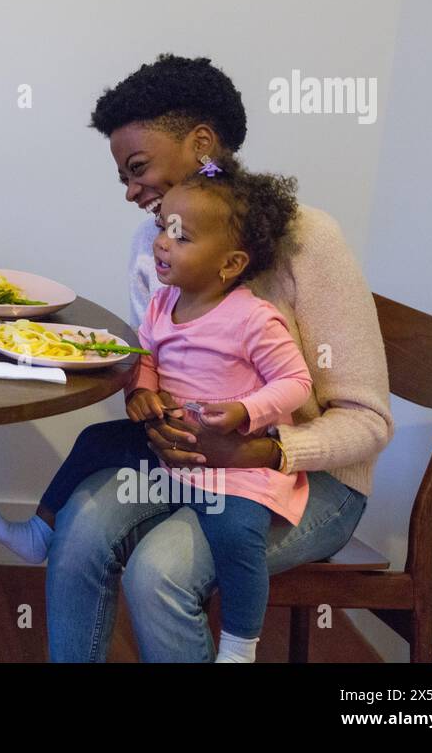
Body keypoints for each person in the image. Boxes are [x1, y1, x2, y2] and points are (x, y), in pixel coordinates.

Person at [39, 54, 393, 662]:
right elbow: (156, 358)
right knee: (76, 531)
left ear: (202, 144)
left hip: (306, 481)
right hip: (192, 462)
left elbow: (368, 421)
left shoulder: (309, 242)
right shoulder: (151, 246)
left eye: (139, 168)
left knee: (158, 573)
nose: (130, 192)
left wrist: (265, 448)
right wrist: (146, 407)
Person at [0, 154, 312, 662]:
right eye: (164, 227)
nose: (162, 241)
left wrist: (245, 412)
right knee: (95, 441)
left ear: (230, 264)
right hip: (173, 445)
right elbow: (148, 357)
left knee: (237, 533)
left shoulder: (254, 319)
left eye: (181, 237)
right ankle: (41, 529)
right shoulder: (165, 302)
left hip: (234, 462)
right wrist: (141, 389)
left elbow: (295, 382)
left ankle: (239, 645)